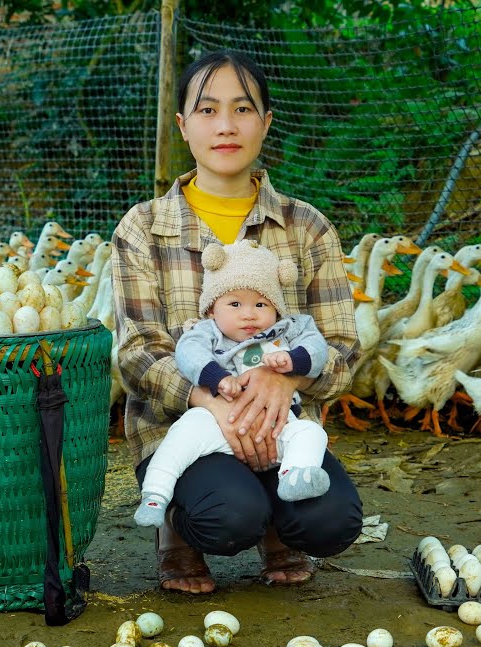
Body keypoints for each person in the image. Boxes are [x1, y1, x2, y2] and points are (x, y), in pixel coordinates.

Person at [112, 49, 363, 594]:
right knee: (226, 517)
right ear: (183, 125)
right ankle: (179, 532)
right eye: (207, 110)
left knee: (332, 521)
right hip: (188, 429)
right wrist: (211, 401)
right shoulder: (143, 228)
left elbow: (343, 346)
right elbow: (137, 353)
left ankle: (284, 524)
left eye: (242, 109)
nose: (225, 126)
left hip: (283, 427)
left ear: (266, 122)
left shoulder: (307, 228)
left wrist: (284, 378)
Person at [133, 239, 333, 528]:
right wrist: (217, 378)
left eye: (261, 304)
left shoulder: (289, 327)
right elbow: (188, 353)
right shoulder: (207, 332)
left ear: (276, 308)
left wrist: (293, 363)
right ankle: (156, 494)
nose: (249, 314)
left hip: (276, 424)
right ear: (212, 309)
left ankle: (296, 475)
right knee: (182, 436)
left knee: (311, 433)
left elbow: (318, 347)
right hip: (217, 423)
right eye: (235, 304)